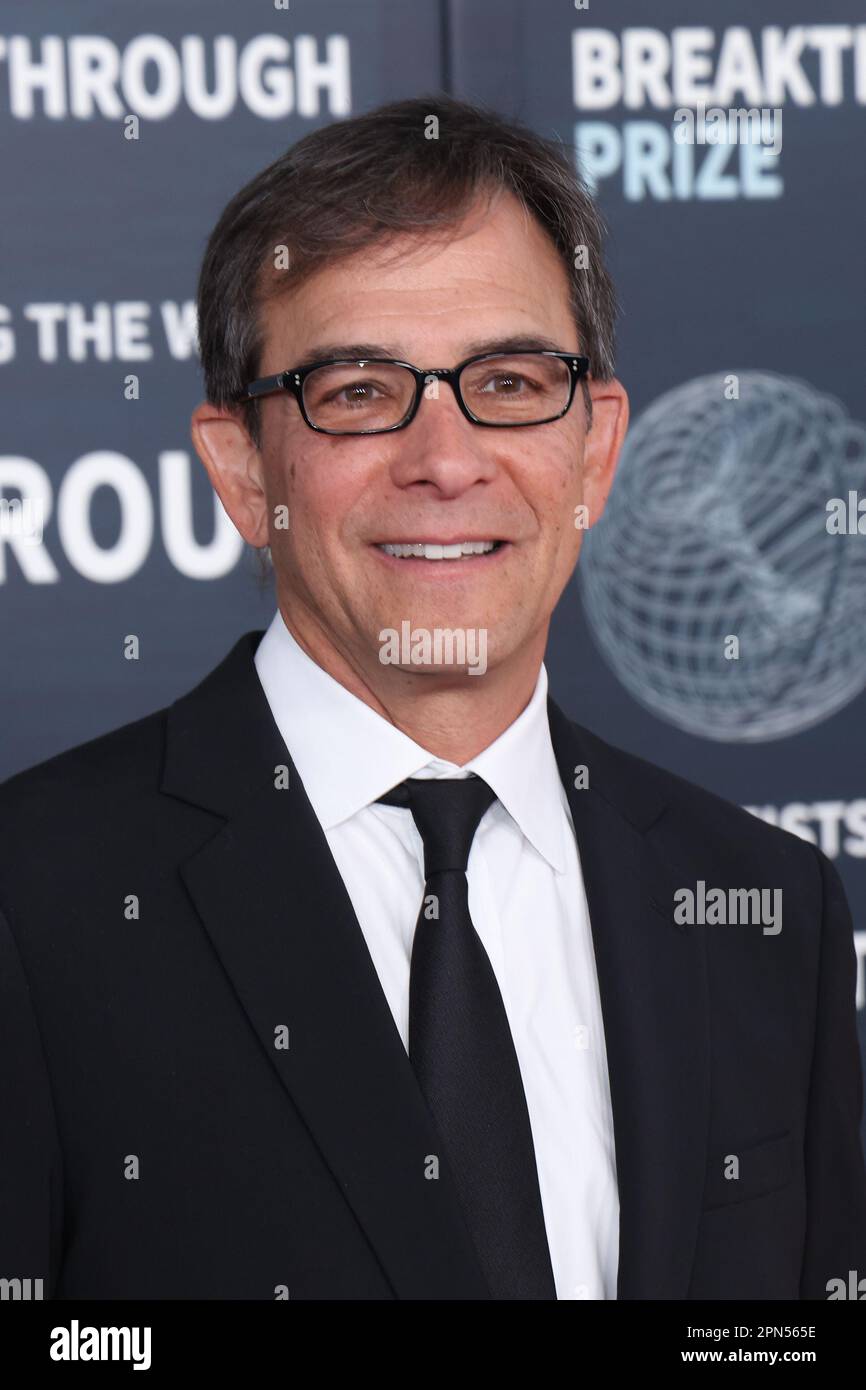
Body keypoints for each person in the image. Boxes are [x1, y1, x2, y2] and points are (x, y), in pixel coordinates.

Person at [1, 95, 864, 1301]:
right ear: (244, 471)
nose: (446, 459)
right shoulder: (36, 906)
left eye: (509, 381)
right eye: (357, 390)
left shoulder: (766, 909)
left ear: (595, 452)